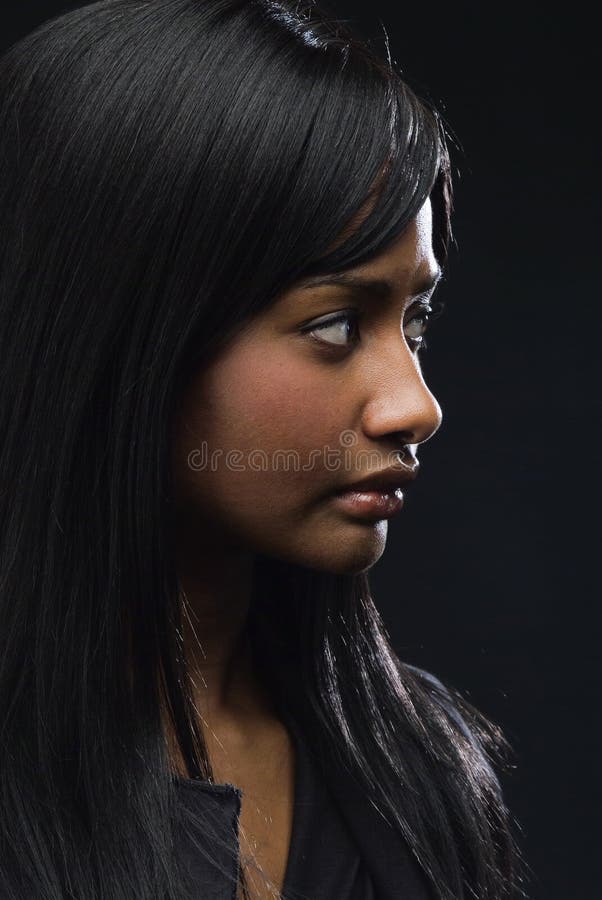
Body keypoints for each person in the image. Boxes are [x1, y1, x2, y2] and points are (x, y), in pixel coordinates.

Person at [0, 1, 521, 898]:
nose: (415, 406)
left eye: (416, 323)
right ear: (124, 334)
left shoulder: (423, 773)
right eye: (333, 324)